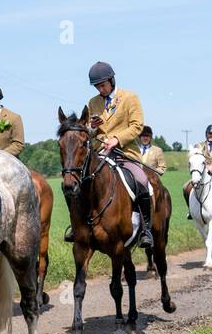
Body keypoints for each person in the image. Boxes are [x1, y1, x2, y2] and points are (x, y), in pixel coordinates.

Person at [63, 61, 153, 248]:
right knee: (73, 182)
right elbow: (86, 132)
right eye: (97, 86)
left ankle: (146, 229)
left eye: (102, 85)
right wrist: (92, 128)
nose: (100, 88)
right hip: (100, 154)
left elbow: (137, 126)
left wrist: (117, 139)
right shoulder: (92, 102)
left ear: (112, 80)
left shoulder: (130, 98)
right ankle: (76, 226)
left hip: (124, 152)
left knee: (142, 180)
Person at [185, 124, 212, 219]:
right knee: (186, 187)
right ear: (206, 134)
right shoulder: (199, 145)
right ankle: (191, 210)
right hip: (203, 173)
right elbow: (193, 158)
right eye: (209, 133)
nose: (211, 135)